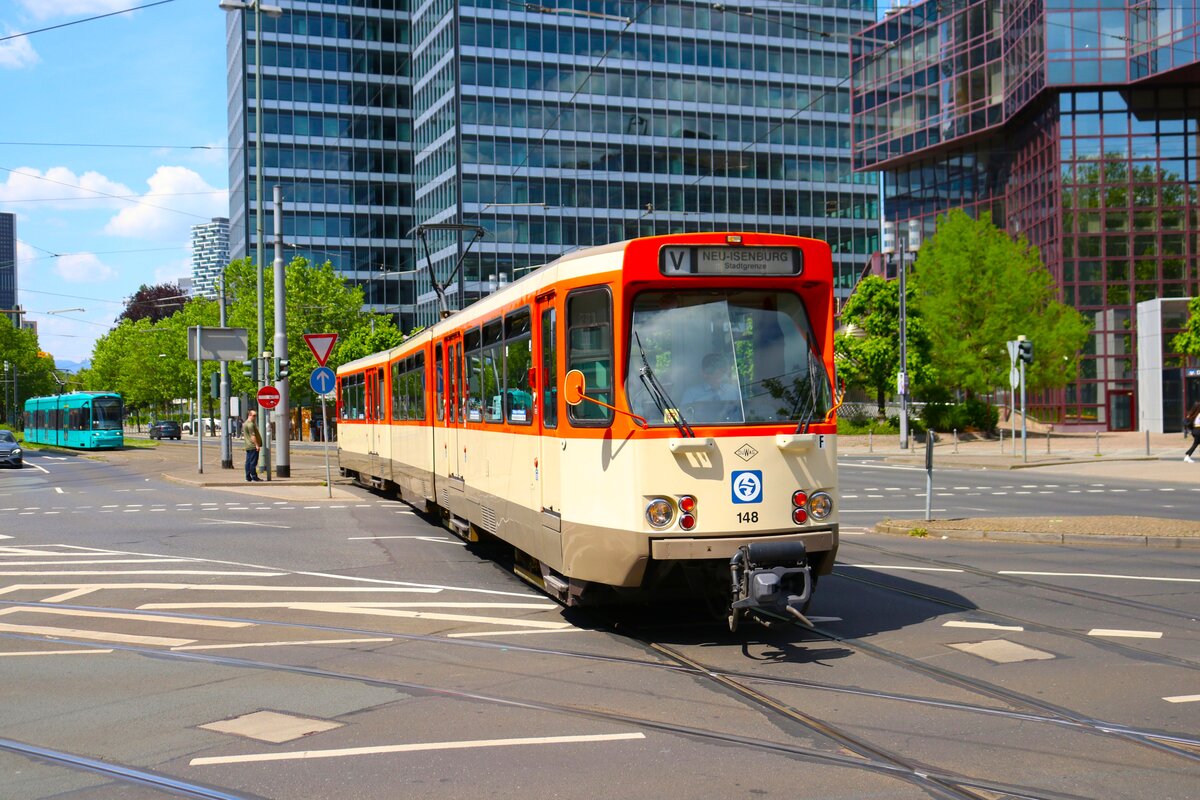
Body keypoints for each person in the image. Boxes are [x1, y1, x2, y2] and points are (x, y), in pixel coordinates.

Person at [681, 353, 740, 420]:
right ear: (705, 373)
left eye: (723, 372)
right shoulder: (691, 394)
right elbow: (684, 419)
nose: (723, 376)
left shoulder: (733, 391)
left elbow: (740, 418)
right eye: (718, 373)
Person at [243, 409, 263, 481]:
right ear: (250, 415)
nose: (255, 417)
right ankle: (254, 476)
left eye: (256, 416)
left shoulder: (245, 423)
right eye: (254, 415)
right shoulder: (250, 424)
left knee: (248, 462)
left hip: (248, 446)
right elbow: (253, 436)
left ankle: (248, 477)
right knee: (253, 462)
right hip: (252, 446)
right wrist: (257, 445)